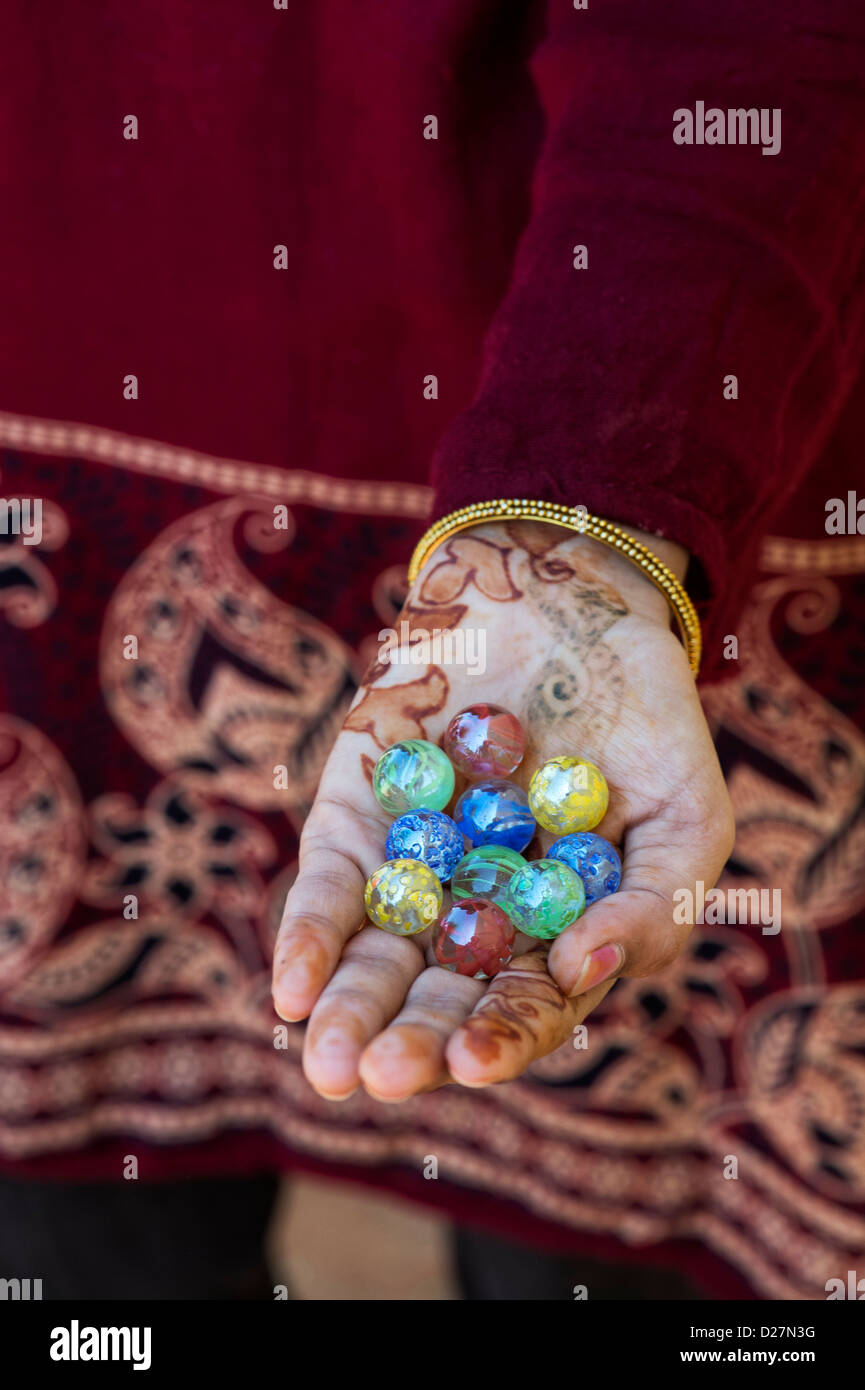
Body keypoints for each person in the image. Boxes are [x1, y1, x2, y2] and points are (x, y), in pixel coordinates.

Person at [0, 0, 863, 1301]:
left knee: (594, 1239)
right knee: (87, 1273)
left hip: (630, 352)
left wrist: (584, 523)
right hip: (46, 459)